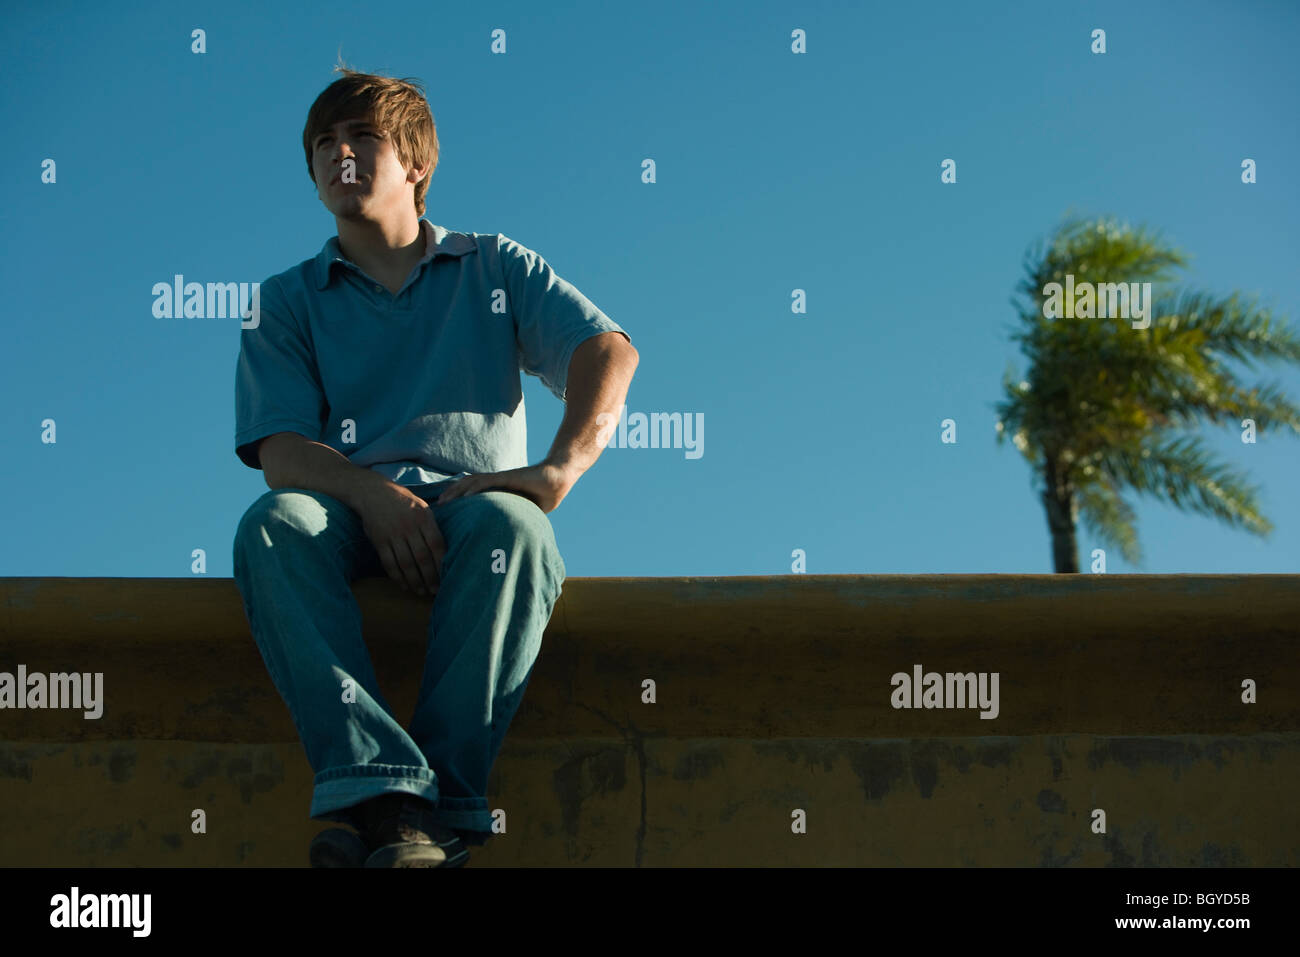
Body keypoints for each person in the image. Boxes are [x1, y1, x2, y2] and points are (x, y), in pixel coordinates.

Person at [231, 64, 638, 867]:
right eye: (324, 144)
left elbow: (608, 349)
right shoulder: (284, 300)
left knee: (516, 528)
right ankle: (383, 792)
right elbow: (280, 451)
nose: (340, 155)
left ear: (415, 164)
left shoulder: (493, 266)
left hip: (468, 501)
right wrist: (375, 499)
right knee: (272, 528)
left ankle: (437, 807)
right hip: (344, 508)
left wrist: (559, 469)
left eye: (362, 138)